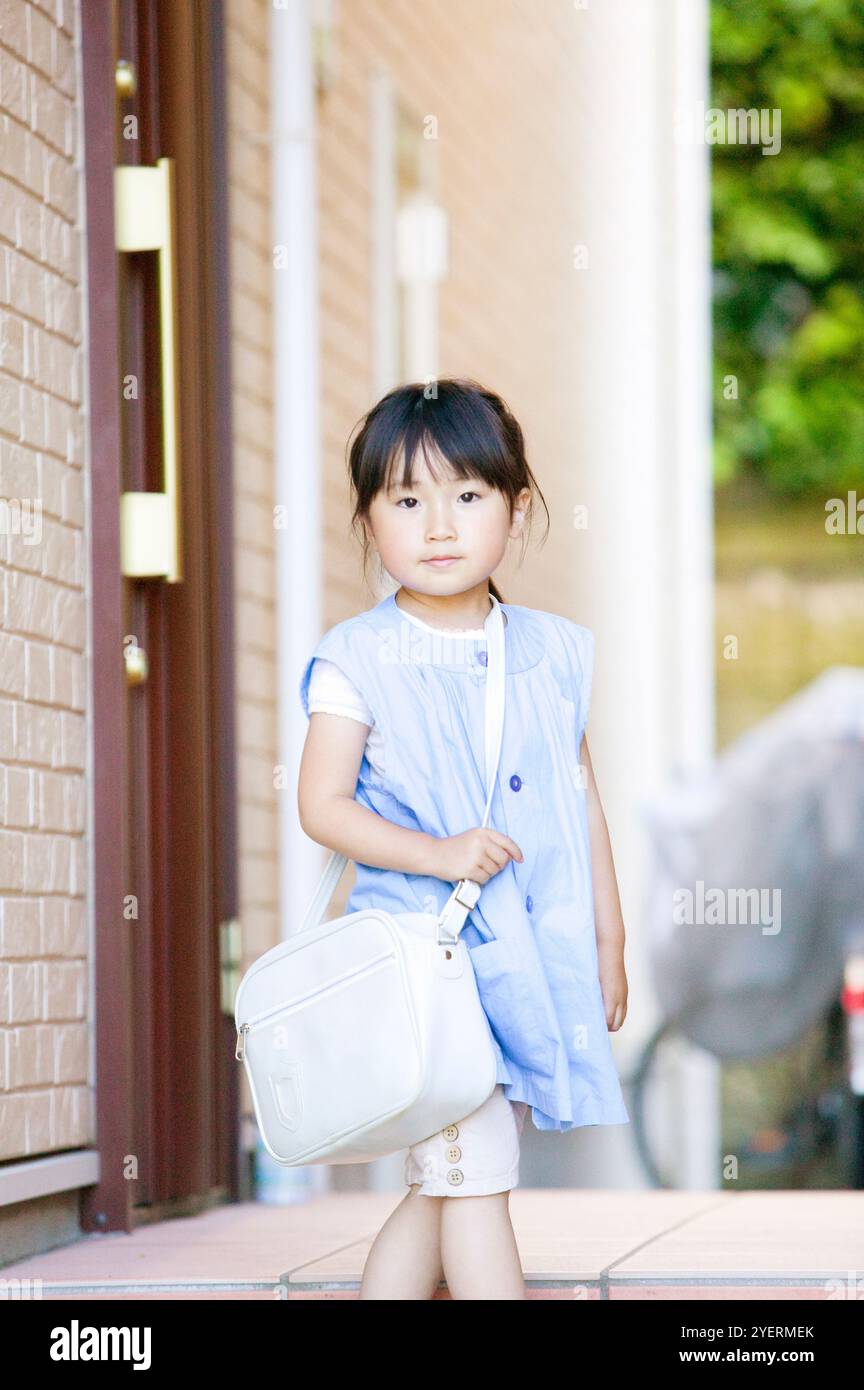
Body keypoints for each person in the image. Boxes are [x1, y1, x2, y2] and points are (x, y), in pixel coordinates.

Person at [297, 378, 629, 1300]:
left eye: (468, 496)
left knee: (448, 1179)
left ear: (516, 511)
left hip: (527, 958)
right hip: (425, 963)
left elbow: (581, 801)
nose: (438, 526)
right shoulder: (356, 657)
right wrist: (439, 853)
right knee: (476, 1175)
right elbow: (322, 806)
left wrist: (609, 937)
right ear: (369, 520)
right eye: (407, 501)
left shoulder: (554, 652)